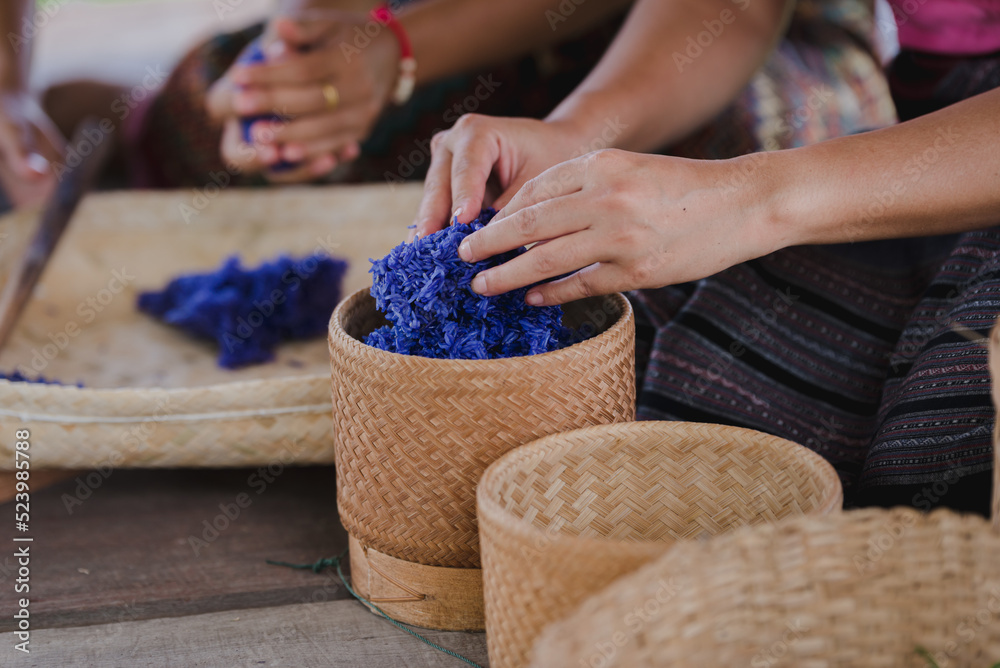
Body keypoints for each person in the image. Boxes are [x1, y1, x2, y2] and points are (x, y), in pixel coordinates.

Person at [414, 0, 1000, 514]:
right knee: (639, 377)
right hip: (917, 139)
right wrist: (575, 134)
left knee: (936, 439)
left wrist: (752, 202)